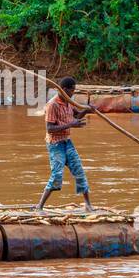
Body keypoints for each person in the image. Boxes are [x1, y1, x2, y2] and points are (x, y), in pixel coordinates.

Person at [35, 77, 94, 212]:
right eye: (72, 90)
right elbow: (49, 128)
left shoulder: (69, 102)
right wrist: (71, 124)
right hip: (55, 144)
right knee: (56, 175)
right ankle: (40, 206)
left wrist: (87, 110)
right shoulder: (52, 105)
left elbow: (77, 116)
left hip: (67, 142)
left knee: (79, 172)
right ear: (65, 90)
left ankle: (88, 205)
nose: (73, 93)